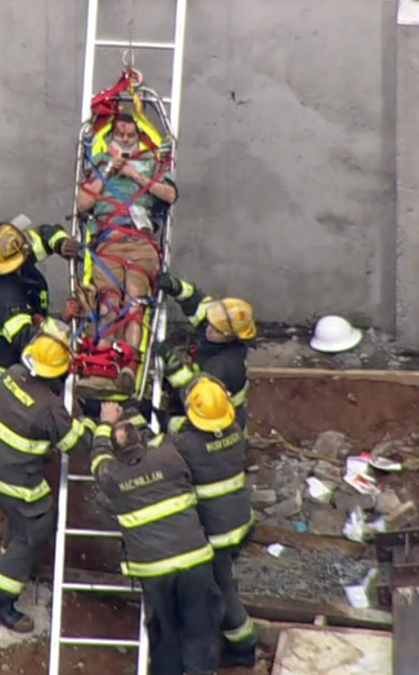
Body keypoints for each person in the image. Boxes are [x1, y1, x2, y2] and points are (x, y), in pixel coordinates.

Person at [0, 318, 93, 633]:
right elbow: (78, 444)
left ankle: (9, 560)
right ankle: (0, 601)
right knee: (36, 528)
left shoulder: (13, 375)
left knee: (18, 522)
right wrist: (100, 423)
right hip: (17, 481)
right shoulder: (49, 410)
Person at [90, 401, 222, 675]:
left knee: (164, 628)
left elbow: (98, 458)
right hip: (193, 559)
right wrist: (133, 414)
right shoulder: (169, 457)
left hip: (153, 569)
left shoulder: (111, 476)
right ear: (141, 440)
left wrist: (105, 422)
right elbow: (158, 441)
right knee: (200, 623)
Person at [72, 109, 178, 384]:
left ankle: (129, 365)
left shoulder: (151, 162)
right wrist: (107, 171)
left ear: (138, 137)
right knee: (108, 302)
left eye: (131, 135)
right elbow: (82, 205)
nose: (126, 138)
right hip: (109, 241)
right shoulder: (99, 162)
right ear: (111, 136)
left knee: (135, 302)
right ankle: (102, 366)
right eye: (120, 134)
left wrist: (135, 175)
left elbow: (170, 195)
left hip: (141, 241)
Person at [170, 376, 257, 667]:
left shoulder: (186, 446)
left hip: (216, 532)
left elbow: (165, 449)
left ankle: (243, 646)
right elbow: (192, 435)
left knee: (220, 590)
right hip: (240, 522)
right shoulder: (234, 431)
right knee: (224, 577)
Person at [152, 272, 256, 430]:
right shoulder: (218, 322)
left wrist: (172, 363)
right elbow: (198, 303)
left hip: (213, 420)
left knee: (173, 430)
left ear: (230, 337)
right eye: (210, 323)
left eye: (215, 329)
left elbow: (193, 389)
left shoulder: (225, 367)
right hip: (200, 397)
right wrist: (176, 287)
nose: (207, 329)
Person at [0, 216, 80, 378]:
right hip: (15, 367)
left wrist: (61, 243)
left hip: (28, 327)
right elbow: (31, 340)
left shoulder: (6, 259)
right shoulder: (5, 301)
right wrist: (62, 320)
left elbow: (43, 234)